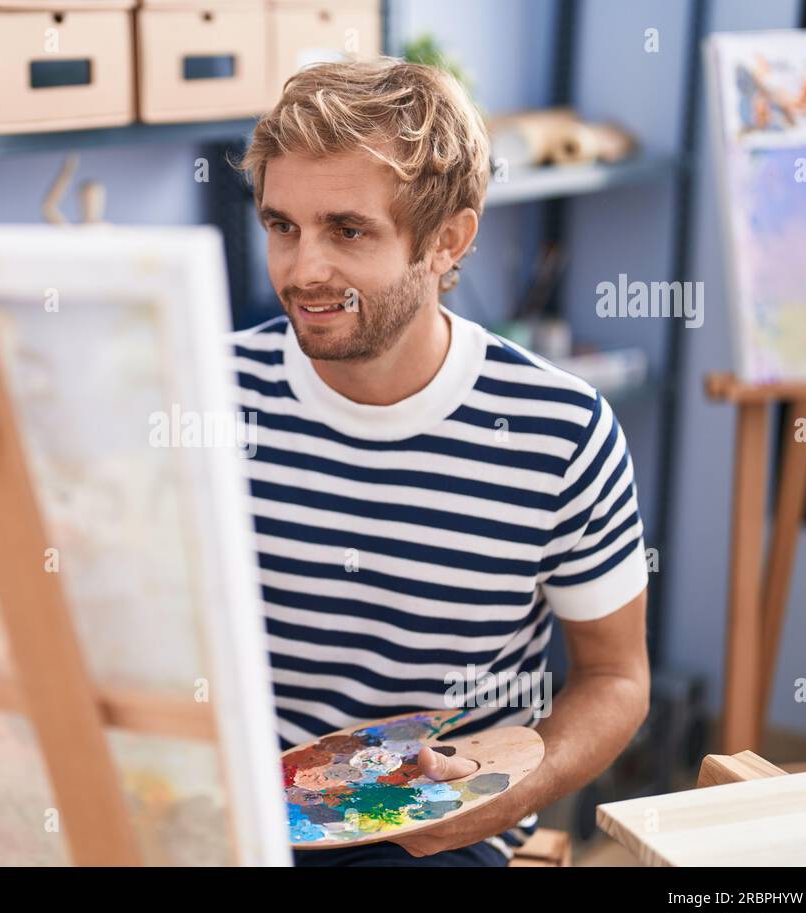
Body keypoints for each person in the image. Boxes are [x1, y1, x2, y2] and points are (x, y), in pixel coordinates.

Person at [230, 58, 650, 866]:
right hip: (225, 808)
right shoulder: (201, 393)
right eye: (282, 226)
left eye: (347, 231)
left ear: (448, 239)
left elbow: (616, 679)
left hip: (424, 830)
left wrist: (504, 797)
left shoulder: (558, 430)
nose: (302, 270)